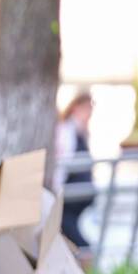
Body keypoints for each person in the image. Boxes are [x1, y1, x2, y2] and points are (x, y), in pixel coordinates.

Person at [53, 90, 95, 250]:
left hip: (78, 195)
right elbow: (64, 162)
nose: (89, 113)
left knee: (71, 232)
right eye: (87, 108)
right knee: (71, 234)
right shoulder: (67, 130)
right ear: (76, 108)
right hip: (69, 194)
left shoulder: (81, 131)